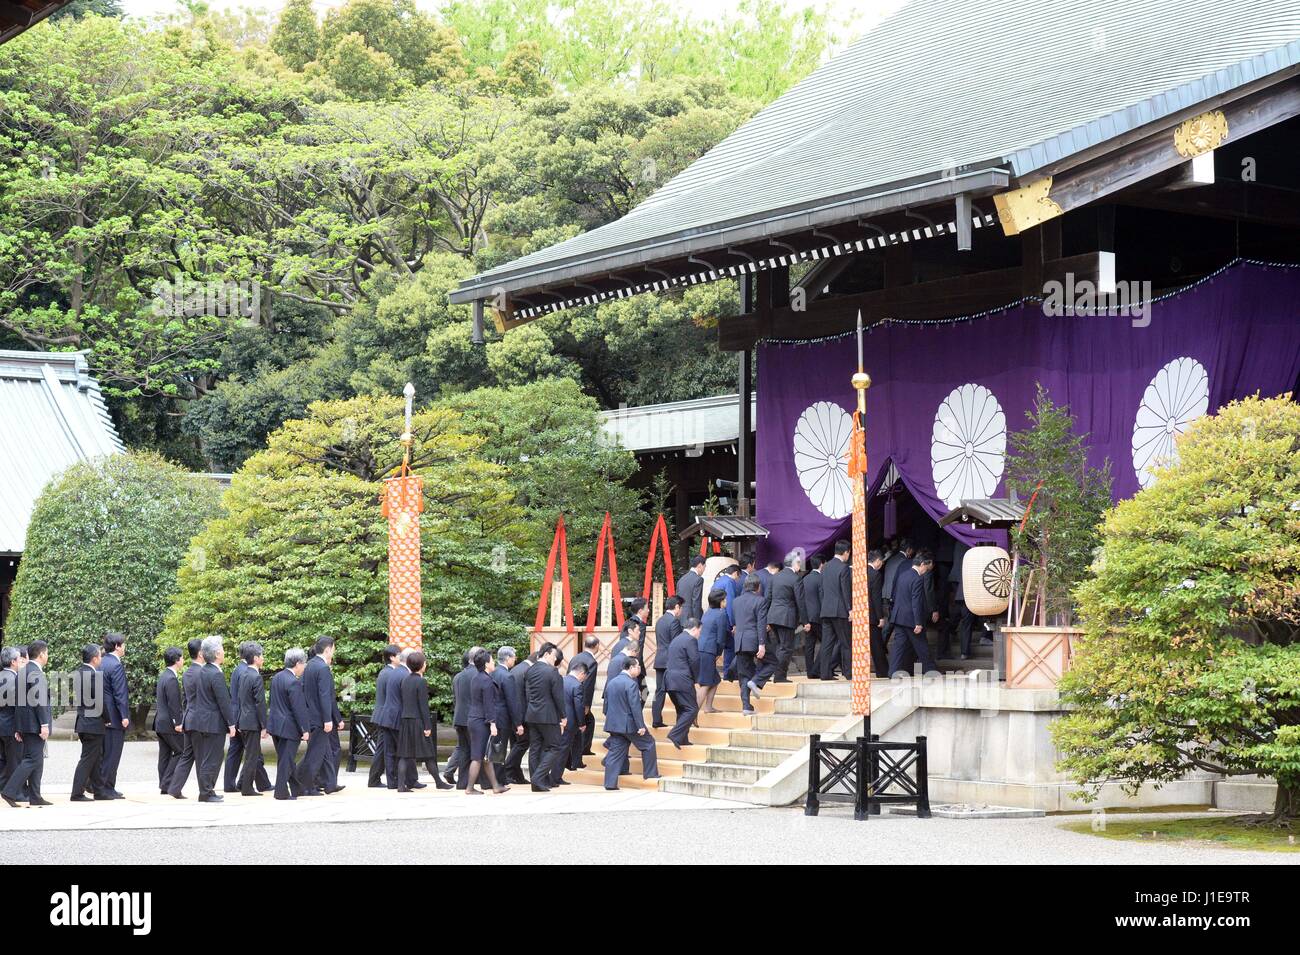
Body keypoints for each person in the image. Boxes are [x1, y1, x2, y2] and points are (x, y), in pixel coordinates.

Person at [187, 636, 236, 803]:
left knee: (209, 758)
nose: (224, 652)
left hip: (204, 721)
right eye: (222, 649)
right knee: (212, 759)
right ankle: (206, 792)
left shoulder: (204, 670)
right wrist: (231, 723)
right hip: (213, 722)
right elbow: (224, 701)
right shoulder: (215, 674)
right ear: (216, 653)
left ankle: (208, 790)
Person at [2, 640, 51, 807]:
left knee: (37, 759)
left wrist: (18, 727)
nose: (47, 656)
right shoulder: (35, 673)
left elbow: (18, 702)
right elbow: (40, 701)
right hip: (35, 724)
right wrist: (44, 724)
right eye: (47, 653)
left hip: (25, 723)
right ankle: (9, 791)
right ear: (42, 654)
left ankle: (35, 795)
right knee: (32, 759)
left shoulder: (22, 672)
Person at [601, 658, 659, 790]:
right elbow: (635, 707)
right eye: (638, 667)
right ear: (631, 668)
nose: (639, 669)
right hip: (628, 724)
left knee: (615, 752)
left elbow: (606, 705)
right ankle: (650, 774)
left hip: (614, 724)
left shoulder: (611, 682)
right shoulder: (631, 684)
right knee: (649, 744)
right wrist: (641, 726)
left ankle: (610, 783)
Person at [225, 641, 271, 794]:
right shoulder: (255, 676)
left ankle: (245, 785)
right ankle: (247, 788)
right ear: (256, 658)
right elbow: (259, 703)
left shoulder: (243, 674)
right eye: (261, 656)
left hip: (243, 720)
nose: (263, 658)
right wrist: (264, 725)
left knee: (251, 755)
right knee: (252, 756)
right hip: (251, 722)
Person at [301, 636, 344, 795]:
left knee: (325, 752)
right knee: (316, 754)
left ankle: (329, 784)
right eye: (333, 649)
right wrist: (328, 719)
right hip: (319, 718)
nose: (334, 652)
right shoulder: (323, 668)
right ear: (327, 650)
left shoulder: (309, 665)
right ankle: (306, 784)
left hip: (310, 715)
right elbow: (325, 696)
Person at [267, 648, 312, 800]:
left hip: (275, 725)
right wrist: (305, 729)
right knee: (286, 761)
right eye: (304, 664)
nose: (304, 667)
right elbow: (299, 708)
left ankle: (296, 788)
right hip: (289, 727)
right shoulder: (294, 682)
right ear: (297, 663)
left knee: (285, 758)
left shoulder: (277, 677)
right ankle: (281, 792)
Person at [463, 649, 509, 795]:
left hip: (474, 718)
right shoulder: (487, 681)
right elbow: (489, 704)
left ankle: (496, 786)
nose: (494, 662)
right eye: (492, 660)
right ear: (486, 664)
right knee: (477, 756)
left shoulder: (476, 678)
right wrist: (493, 724)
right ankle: (470, 788)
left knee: (485, 756)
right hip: (481, 721)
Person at [524, 642, 566, 792]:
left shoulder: (530, 670)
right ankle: (537, 778)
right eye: (554, 657)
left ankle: (536, 783)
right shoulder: (552, 672)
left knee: (535, 748)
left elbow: (528, 695)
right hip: (548, 715)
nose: (555, 660)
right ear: (547, 653)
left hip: (532, 714)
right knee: (555, 747)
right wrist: (563, 716)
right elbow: (558, 697)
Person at [166, 638, 205, 799]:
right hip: (199, 720)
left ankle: (175, 788)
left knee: (187, 755)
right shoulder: (202, 672)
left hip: (189, 718)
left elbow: (185, 699)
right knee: (201, 756)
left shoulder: (188, 672)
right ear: (201, 653)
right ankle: (205, 790)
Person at [887, 554, 938, 675]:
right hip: (911, 619)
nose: (926, 571)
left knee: (898, 648)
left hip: (899, 616)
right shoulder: (918, 578)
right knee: (922, 647)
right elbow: (916, 601)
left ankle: (892, 671)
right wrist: (918, 622)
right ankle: (931, 671)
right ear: (921, 565)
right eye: (926, 567)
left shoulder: (903, 575)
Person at [70, 644, 107, 802]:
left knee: (94, 758)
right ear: (94, 658)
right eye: (99, 656)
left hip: (84, 722)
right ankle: (77, 793)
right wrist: (109, 719)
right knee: (87, 759)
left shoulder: (79, 673)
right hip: (93, 723)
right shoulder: (93, 676)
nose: (101, 658)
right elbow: (100, 702)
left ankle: (99, 791)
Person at [396, 651, 435, 793]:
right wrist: (427, 725)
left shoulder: (405, 679)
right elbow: (423, 706)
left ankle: (401, 785)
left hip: (405, 719)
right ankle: (438, 781)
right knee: (428, 752)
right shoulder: (421, 681)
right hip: (417, 720)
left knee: (404, 754)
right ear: (421, 665)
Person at [733, 577, 773, 714]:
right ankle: (756, 681)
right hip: (754, 640)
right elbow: (761, 623)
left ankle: (746, 706)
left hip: (739, 641)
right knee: (772, 662)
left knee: (743, 675)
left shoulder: (736, 601)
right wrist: (762, 643)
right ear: (758, 587)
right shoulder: (760, 600)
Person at [97, 631, 129, 799]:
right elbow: (120, 693)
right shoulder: (115, 665)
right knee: (113, 753)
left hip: (101, 714)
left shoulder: (100, 662)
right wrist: (124, 715)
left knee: (104, 753)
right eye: (123, 645)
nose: (124, 648)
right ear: (117, 646)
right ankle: (107, 787)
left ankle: (100, 785)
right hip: (114, 716)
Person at [767, 552, 806, 683]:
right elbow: (800, 601)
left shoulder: (774, 577)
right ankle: (779, 676)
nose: (800, 565)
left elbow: (768, 598)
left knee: (780, 646)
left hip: (773, 615)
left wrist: (766, 618)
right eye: (799, 563)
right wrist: (805, 621)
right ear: (795, 564)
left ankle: (776, 674)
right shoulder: (796, 578)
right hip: (786, 617)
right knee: (786, 647)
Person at [445, 648, 480, 789]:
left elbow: (456, 699)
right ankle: (475, 781)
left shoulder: (458, 676)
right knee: (475, 751)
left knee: (464, 749)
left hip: (459, 717)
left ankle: (462, 782)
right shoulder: (478, 675)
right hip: (474, 718)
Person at [664, 618, 701, 747]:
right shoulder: (690, 640)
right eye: (699, 632)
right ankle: (675, 734)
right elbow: (695, 661)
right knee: (692, 709)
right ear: (695, 629)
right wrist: (696, 678)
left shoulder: (677, 639)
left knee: (682, 709)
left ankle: (682, 739)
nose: (699, 635)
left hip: (669, 680)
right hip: (682, 680)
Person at [819, 540, 853, 680]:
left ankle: (825, 674)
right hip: (840, 611)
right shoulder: (843, 568)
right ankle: (848, 673)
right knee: (846, 643)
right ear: (846, 552)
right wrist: (850, 609)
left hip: (826, 610)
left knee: (826, 644)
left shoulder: (825, 567)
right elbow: (845, 591)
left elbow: (821, 589)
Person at [370, 644, 403, 788]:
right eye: (399, 654)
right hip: (386, 715)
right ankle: (376, 779)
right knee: (384, 749)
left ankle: (374, 779)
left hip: (383, 714)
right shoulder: (390, 673)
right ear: (391, 657)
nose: (401, 657)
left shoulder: (386, 672)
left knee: (382, 748)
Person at [650, 595, 684, 727]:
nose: (681, 611)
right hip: (670, 661)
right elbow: (675, 643)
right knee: (675, 690)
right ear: (676, 607)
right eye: (681, 608)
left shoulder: (660, 620)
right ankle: (681, 719)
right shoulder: (674, 621)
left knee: (659, 691)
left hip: (659, 659)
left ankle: (656, 719)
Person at [154, 647, 185, 795]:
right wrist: (178, 722)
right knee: (181, 751)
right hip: (169, 723)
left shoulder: (163, 675)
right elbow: (174, 704)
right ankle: (167, 783)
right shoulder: (171, 678)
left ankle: (164, 784)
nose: (183, 660)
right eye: (182, 658)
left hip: (160, 722)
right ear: (176, 660)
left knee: (165, 754)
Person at [502, 650, 533, 785]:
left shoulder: (515, 669)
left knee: (516, 743)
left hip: (512, 714)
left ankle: (516, 775)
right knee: (523, 743)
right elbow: (525, 696)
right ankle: (508, 768)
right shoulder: (527, 671)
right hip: (521, 714)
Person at [696, 588, 728, 714]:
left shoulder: (707, 613)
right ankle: (693, 713)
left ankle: (708, 707)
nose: (726, 602)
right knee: (706, 682)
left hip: (701, 648)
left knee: (715, 680)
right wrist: (719, 653)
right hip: (709, 651)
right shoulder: (721, 614)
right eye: (724, 600)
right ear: (720, 602)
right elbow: (720, 638)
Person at [568, 635, 599, 757]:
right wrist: (587, 705)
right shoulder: (592, 662)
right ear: (596, 646)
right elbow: (588, 685)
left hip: (570, 694)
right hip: (580, 697)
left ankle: (581, 750)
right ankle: (582, 751)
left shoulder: (575, 657)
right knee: (587, 722)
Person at [0, 647, 22, 797]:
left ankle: (3, 788)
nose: (21, 661)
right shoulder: (14, 680)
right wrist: (19, 729)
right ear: (13, 661)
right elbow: (18, 708)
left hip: (2, 723)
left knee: (2, 760)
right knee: (14, 761)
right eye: (19, 659)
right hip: (10, 725)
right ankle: (15, 792)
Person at [800, 556, 824, 678]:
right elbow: (822, 598)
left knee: (809, 646)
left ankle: (810, 671)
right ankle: (818, 668)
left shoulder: (805, 579)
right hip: (819, 616)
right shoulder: (821, 578)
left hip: (808, 617)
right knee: (826, 643)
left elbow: (802, 600)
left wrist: (804, 620)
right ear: (821, 564)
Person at [716, 564, 742, 678]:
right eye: (738, 577)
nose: (737, 580)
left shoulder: (719, 581)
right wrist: (733, 623)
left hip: (716, 618)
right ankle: (729, 674)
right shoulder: (730, 582)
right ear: (735, 573)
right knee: (730, 647)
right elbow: (730, 604)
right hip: (726, 619)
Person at [562, 661, 588, 771]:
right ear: (581, 673)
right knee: (563, 749)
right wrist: (582, 723)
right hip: (570, 722)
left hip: (560, 719)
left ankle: (557, 774)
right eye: (585, 676)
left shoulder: (561, 680)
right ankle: (556, 777)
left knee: (560, 747)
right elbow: (579, 707)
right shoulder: (577, 685)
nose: (584, 679)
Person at [867, 549, 889, 677]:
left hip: (860, 613)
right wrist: (880, 617)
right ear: (877, 561)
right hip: (872, 615)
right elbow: (876, 598)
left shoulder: (858, 572)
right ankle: (882, 671)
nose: (881, 565)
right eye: (881, 562)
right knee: (876, 645)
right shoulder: (875, 575)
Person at [881, 538, 915, 621]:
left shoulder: (891, 559)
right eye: (912, 551)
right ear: (908, 550)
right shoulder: (905, 561)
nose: (912, 554)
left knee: (889, 619)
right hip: (894, 594)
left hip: (885, 593)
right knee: (892, 620)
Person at [675, 555, 706, 622]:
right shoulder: (698, 579)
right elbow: (696, 602)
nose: (704, 570)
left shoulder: (681, 579)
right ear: (700, 565)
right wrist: (697, 621)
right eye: (704, 567)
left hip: (680, 617)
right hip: (691, 618)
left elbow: (677, 600)